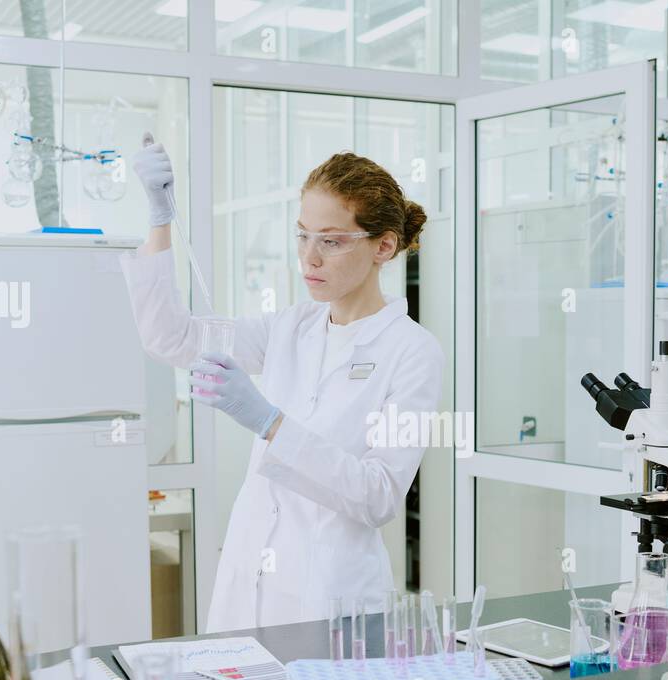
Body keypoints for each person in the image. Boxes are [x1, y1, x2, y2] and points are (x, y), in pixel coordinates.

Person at [123, 142, 443, 632]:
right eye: (302, 236)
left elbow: (379, 496)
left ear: (383, 246)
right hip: (250, 582)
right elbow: (174, 338)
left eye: (332, 241)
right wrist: (159, 218)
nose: (309, 257)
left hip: (331, 597)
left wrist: (271, 423)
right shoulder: (290, 327)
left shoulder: (412, 351)